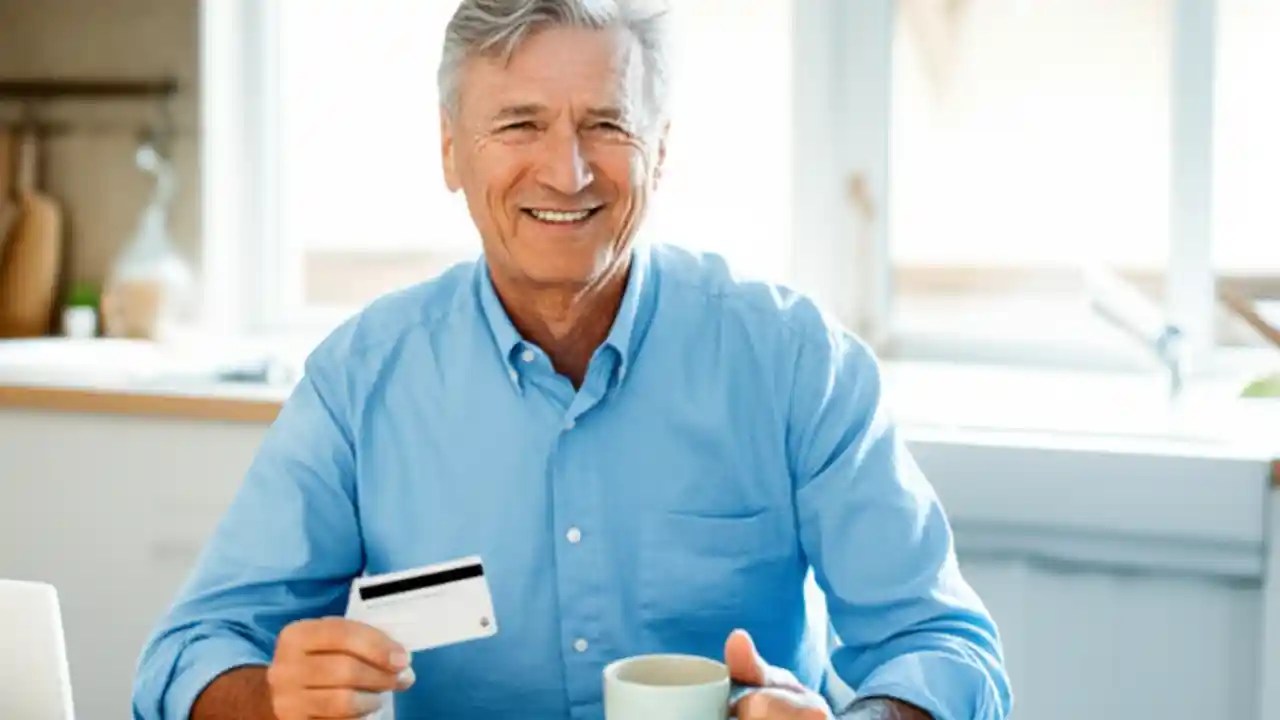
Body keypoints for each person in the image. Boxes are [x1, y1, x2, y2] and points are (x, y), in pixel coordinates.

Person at [132, 1, 1011, 718]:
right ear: (449, 150)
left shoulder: (795, 364)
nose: (568, 170)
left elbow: (944, 649)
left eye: (606, 124)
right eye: (519, 124)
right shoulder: (361, 381)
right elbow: (186, 659)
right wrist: (273, 700)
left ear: (659, 151)